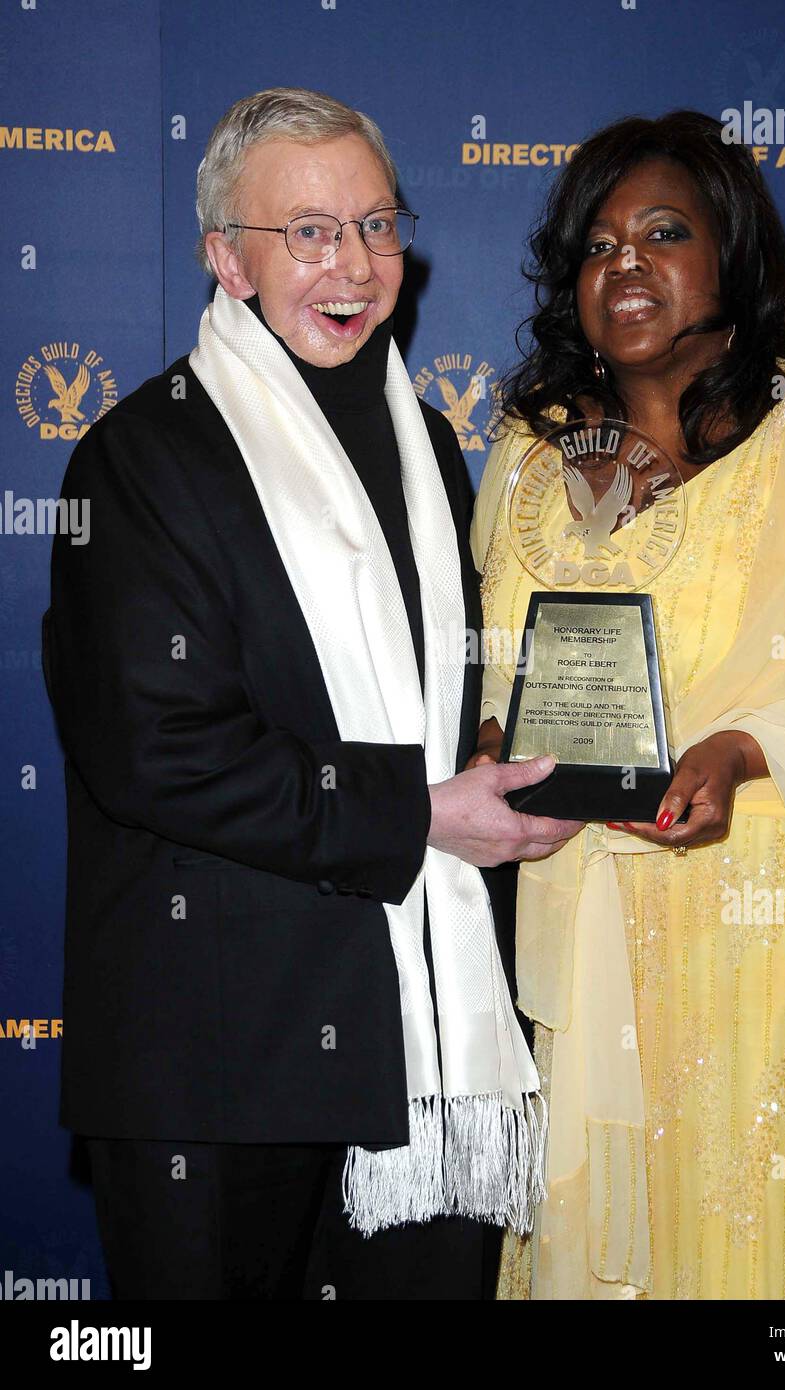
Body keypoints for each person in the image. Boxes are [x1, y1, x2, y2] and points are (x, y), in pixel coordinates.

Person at [42, 86, 581, 1301]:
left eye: (376, 224)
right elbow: (153, 749)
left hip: (421, 1045)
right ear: (225, 258)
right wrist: (424, 810)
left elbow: (443, 695)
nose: (352, 263)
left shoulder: (431, 445)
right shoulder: (136, 459)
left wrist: (511, 748)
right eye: (308, 232)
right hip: (217, 1056)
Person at [470, 111, 785, 1300]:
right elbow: (498, 671)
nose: (622, 263)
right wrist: (495, 739)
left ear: (731, 255)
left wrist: (745, 749)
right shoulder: (527, 459)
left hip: (769, 930)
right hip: (587, 921)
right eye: (595, 245)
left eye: (662, 232)